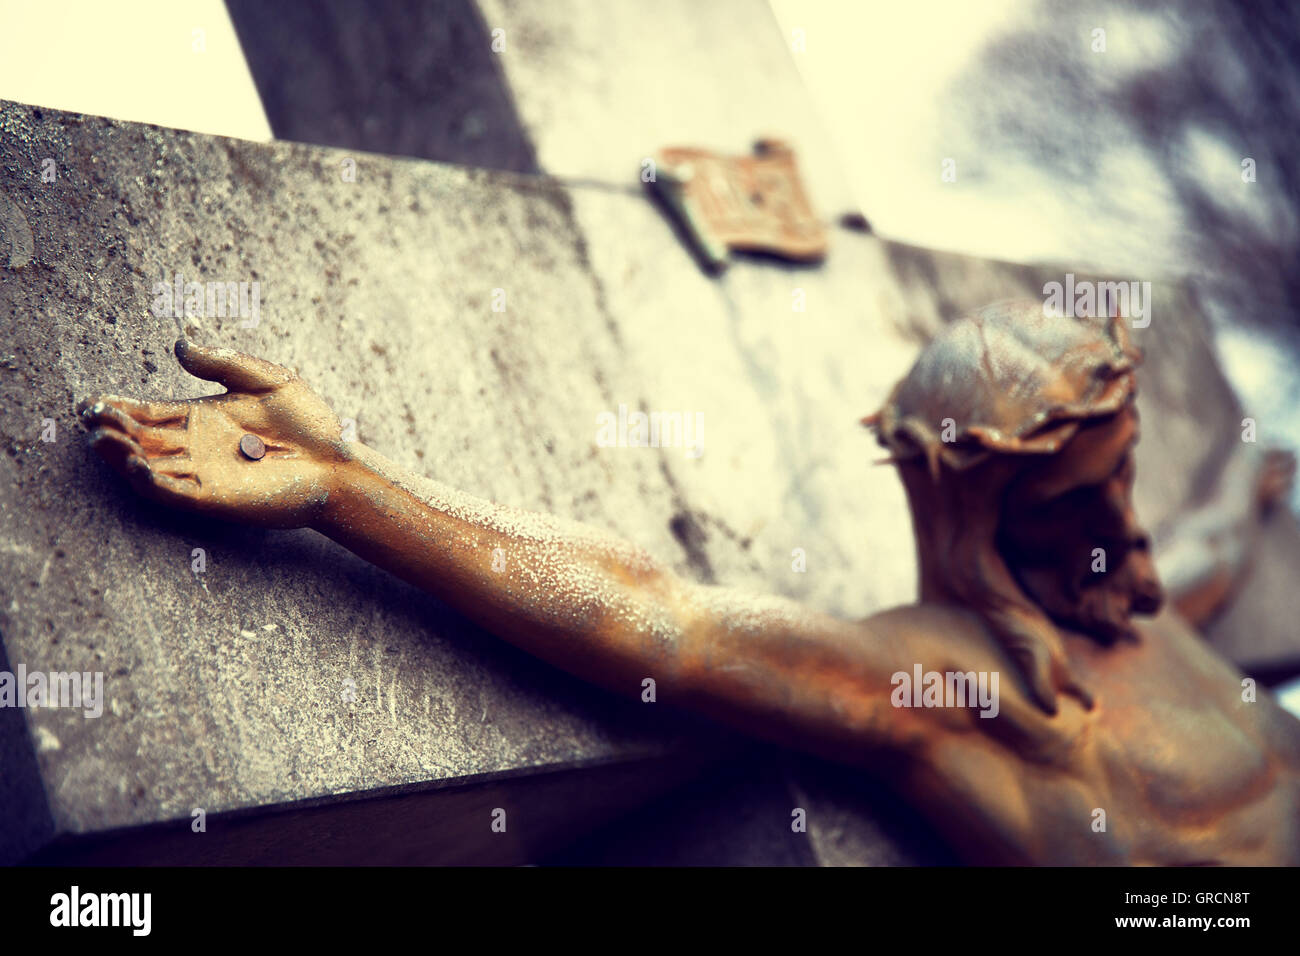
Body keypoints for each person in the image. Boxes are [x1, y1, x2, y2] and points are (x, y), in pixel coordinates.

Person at [78, 300, 1300, 864]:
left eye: (1117, 479)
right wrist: (347, 483)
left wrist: (1248, 498)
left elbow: (1208, 542)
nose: (1113, 535)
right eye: (1068, 505)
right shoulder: (952, 684)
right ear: (966, 506)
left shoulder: (1144, 601)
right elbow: (658, 621)